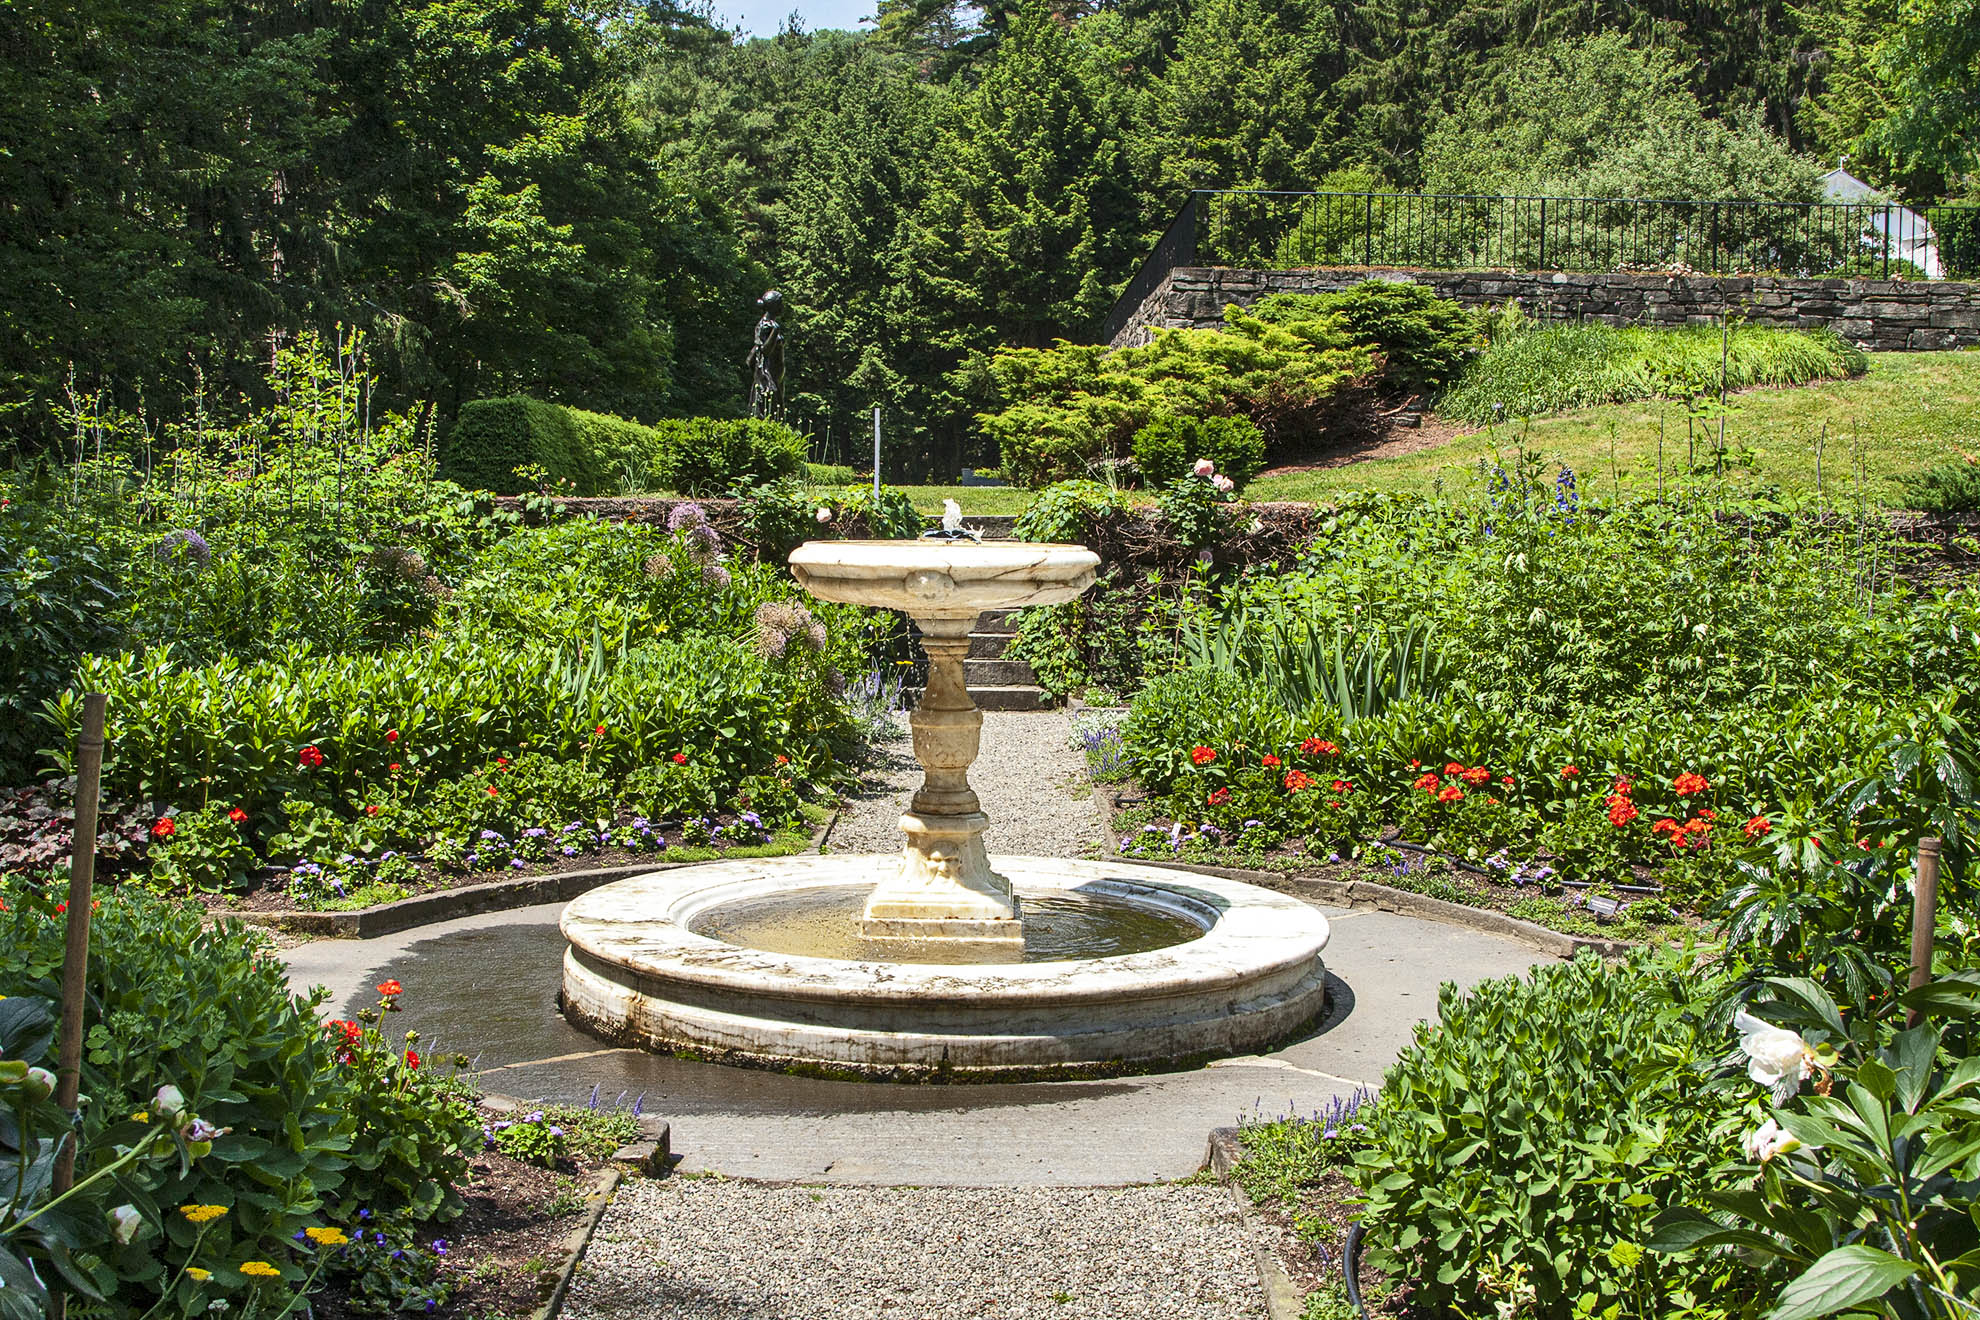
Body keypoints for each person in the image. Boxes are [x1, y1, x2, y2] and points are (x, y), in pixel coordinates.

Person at [747, 290, 785, 418]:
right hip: (766, 376)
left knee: (776, 412)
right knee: (768, 412)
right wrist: (775, 331)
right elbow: (765, 350)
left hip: (774, 375)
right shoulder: (765, 326)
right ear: (774, 306)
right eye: (780, 303)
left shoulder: (771, 324)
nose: (782, 306)